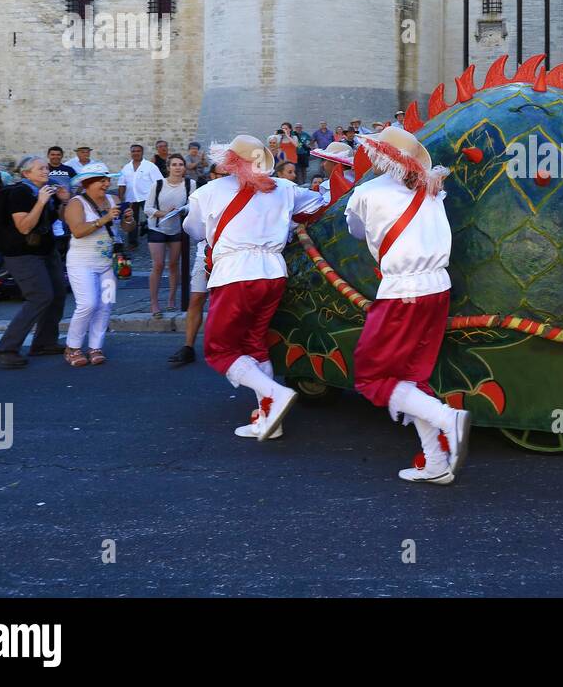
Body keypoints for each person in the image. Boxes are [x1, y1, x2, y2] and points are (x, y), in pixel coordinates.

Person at [341, 127, 472, 482]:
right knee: (413, 376)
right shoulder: (432, 192)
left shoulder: (367, 193)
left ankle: (449, 419)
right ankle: (435, 462)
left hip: (403, 291)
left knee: (371, 377)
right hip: (438, 289)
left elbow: (355, 230)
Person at [182, 135, 332, 441]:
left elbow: (194, 230)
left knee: (219, 349)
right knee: (254, 341)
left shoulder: (207, 192)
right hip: (274, 272)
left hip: (235, 273)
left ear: (230, 161)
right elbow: (320, 204)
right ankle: (268, 419)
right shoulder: (286, 188)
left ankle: (273, 394)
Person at [0, 156, 68, 369]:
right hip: (22, 254)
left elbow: (59, 219)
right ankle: (5, 349)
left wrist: (63, 200)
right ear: (26, 173)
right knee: (39, 296)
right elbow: (24, 227)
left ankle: (44, 343)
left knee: (57, 294)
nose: (46, 171)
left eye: (46, 168)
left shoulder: (47, 191)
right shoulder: (20, 193)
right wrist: (41, 202)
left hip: (47, 250)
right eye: (41, 168)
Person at [63, 164, 132, 367]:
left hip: (106, 264)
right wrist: (104, 219)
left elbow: (127, 228)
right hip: (81, 263)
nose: (107, 183)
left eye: (107, 179)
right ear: (87, 183)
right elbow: (77, 231)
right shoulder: (76, 203)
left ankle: (95, 346)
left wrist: (129, 220)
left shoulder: (114, 200)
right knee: (88, 304)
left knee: (106, 304)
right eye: (102, 180)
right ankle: (72, 347)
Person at [168, 164, 228, 367]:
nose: (226, 178)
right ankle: (188, 346)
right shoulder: (203, 194)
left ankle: (225, 347)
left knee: (225, 301)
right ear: (212, 175)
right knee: (197, 298)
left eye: (228, 174)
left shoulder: (235, 193)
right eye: (222, 174)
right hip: (206, 250)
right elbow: (193, 226)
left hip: (228, 253)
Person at [143, 154, 194, 317]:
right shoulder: (157, 185)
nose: (178, 167)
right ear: (168, 167)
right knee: (157, 265)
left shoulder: (189, 184)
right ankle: (154, 304)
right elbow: (147, 208)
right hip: (157, 228)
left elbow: (192, 204)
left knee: (173, 265)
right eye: (174, 164)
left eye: (181, 164)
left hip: (177, 229)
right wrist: (164, 213)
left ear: (184, 167)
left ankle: (171, 300)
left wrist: (181, 211)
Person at [118, 144, 159, 251]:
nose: (135, 153)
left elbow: (159, 182)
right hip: (130, 198)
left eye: (138, 151)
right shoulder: (126, 168)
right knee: (131, 220)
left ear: (142, 152)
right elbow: (122, 184)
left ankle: (157, 240)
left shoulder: (150, 166)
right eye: (133, 151)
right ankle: (132, 242)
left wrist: (158, 198)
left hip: (147, 198)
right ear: (130, 153)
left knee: (152, 219)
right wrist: (121, 198)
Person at [45, 147, 76, 259]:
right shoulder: (44, 169)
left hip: (65, 204)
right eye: (53, 154)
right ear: (48, 156)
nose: (55, 157)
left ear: (62, 156)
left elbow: (76, 186)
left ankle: (64, 254)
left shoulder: (69, 170)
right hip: (48, 204)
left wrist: (70, 198)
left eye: (58, 154)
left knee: (66, 229)